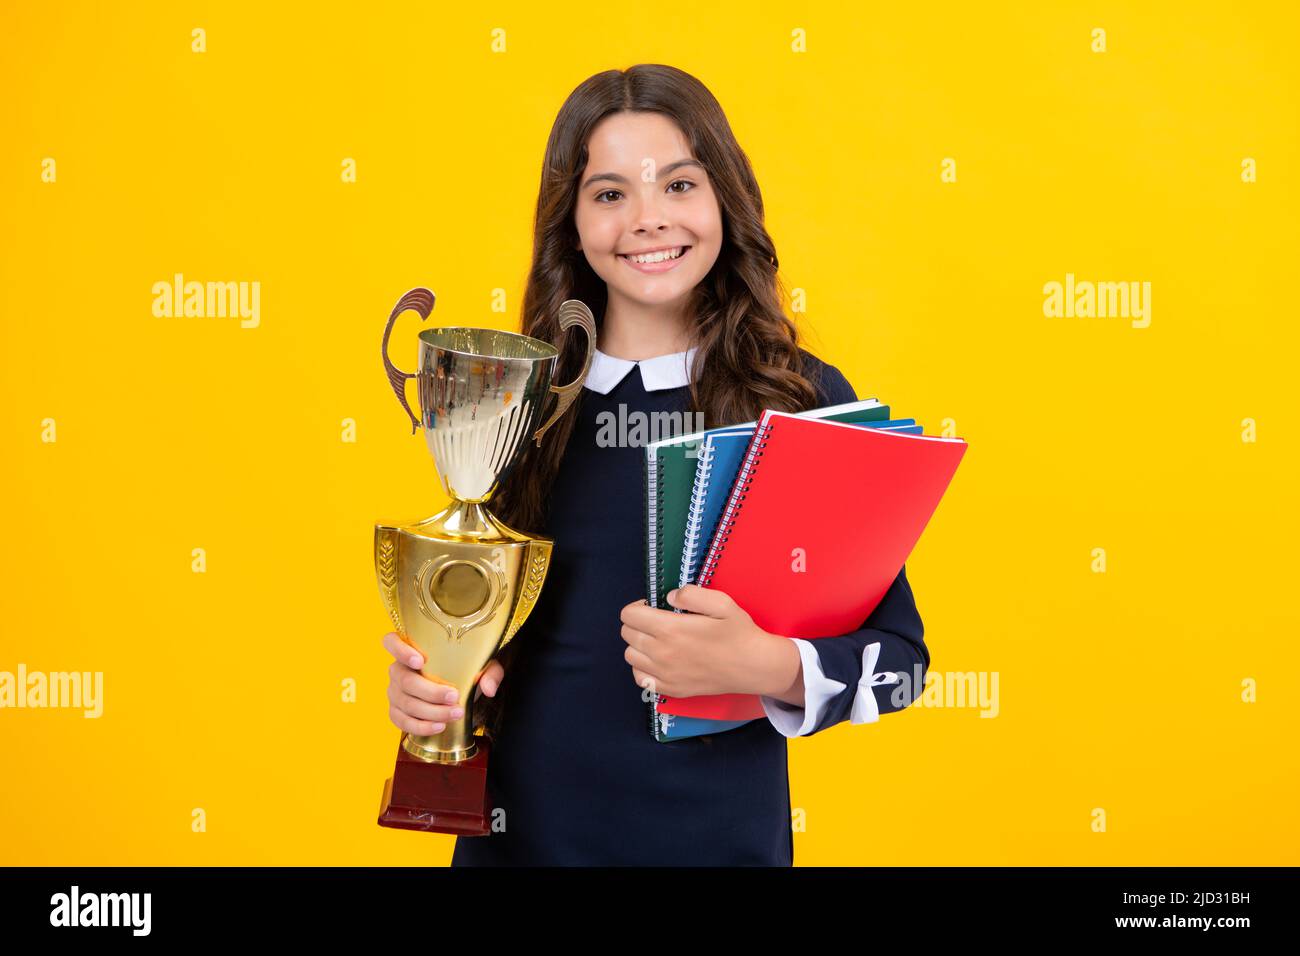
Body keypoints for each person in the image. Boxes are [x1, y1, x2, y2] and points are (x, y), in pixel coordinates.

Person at [381, 64, 928, 865]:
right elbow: (477, 626)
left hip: (717, 846)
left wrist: (766, 665)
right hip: (521, 842)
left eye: (678, 185)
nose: (647, 219)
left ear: (724, 201)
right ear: (569, 222)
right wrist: (438, 688)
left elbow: (902, 666)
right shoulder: (516, 401)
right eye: (609, 194)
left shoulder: (801, 400)